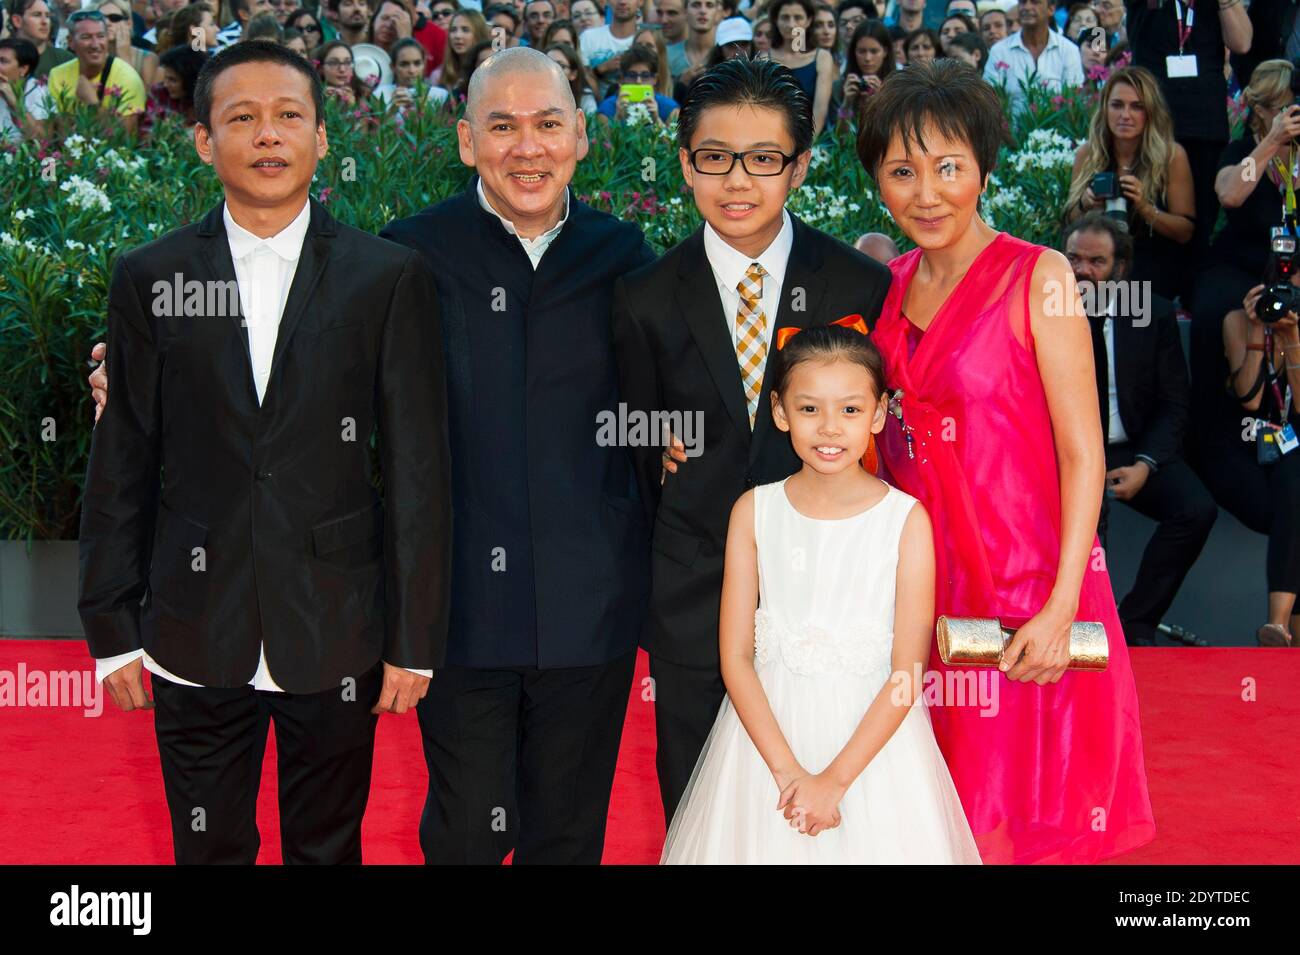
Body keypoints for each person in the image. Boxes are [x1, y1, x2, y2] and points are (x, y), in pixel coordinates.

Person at [79, 40, 451, 865]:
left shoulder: (386, 277)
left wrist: (414, 636)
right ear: (206, 141)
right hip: (191, 621)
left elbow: (419, 468)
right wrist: (111, 624)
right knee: (208, 848)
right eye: (241, 118)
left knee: (326, 848)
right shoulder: (151, 275)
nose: (268, 135)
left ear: (322, 138)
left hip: (338, 625)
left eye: (289, 116)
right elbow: (125, 454)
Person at [859, 59, 1156, 863]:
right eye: (902, 171)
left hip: (1022, 587)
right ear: (877, 181)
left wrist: (1063, 606)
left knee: (1017, 819)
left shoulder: (1041, 275)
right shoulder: (885, 286)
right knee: (927, 814)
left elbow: (1082, 452)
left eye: (948, 167)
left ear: (983, 168)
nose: (927, 192)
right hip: (921, 590)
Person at [380, 46, 655, 865]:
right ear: (467, 141)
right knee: (466, 828)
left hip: (590, 601)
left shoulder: (624, 255)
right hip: (462, 605)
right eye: (502, 126)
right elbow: (327, 376)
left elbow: (672, 387)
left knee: (567, 834)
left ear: (579, 136)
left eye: (546, 124)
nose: (526, 147)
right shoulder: (410, 254)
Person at [611, 56, 891, 824]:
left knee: (826, 809)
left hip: (827, 597)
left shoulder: (855, 285)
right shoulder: (643, 297)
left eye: (764, 159)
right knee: (704, 809)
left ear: (798, 168)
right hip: (693, 597)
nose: (738, 181)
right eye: (715, 158)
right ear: (686, 163)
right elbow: (635, 451)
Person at [660, 322, 981, 864]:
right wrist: (790, 775)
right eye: (809, 409)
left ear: (879, 414)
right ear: (781, 413)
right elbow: (735, 658)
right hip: (763, 745)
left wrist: (833, 781)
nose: (830, 428)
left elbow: (908, 671)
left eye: (851, 410)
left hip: (873, 748)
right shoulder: (754, 512)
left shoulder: (904, 520)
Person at [1064, 213, 1216, 647]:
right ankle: (1084, 632)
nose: (1082, 271)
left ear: (1121, 268)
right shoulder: (1045, 311)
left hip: (1132, 446)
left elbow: (1174, 403)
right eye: (1074, 258)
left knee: (1195, 510)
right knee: (1092, 515)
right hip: (1069, 450)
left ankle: (1133, 623)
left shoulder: (1153, 313)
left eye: (1096, 261)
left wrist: (1147, 465)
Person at [1123, 0, 1252, 296]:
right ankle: (1158, 295)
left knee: (1201, 220)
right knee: (1153, 212)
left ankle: (1193, 292)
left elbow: (1242, 43)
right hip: (1153, 119)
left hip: (1204, 121)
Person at [1215, 274, 1300, 645]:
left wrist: (1292, 339)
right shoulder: (1237, 320)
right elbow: (1249, 397)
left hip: (1291, 460)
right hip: (1240, 453)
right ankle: (1283, 632)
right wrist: (1255, 329)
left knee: (1295, 479)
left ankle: (1277, 627)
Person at [1063, 66, 1195, 302]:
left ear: (1151, 113)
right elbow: (1070, 221)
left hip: (1153, 260)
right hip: (1095, 261)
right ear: (1105, 109)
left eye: (1137, 106)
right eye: (1117, 105)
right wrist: (1086, 204)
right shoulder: (1088, 154)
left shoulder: (1171, 156)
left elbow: (1185, 231)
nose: (1125, 114)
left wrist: (1145, 208)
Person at [48, 10, 149, 136]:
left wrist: (93, 104)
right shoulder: (58, 75)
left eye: (101, 36)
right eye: (86, 37)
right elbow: (59, 135)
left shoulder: (128, 78)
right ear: (70, 42)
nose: (95, 45)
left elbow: (123, 138)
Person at [983, 0, 1083, 115]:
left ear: (1051, 9)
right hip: (1009, 130)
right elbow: (989, 100)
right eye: (1023, 2)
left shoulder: (1068, 50)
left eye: (1035, 2)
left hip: (1057, 130)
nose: (1027, 7)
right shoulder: (999, 51)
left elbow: (1072, 101)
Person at [768, 0, 833, 137]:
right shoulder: (763, 58)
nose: (791, 24)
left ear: (808, 20)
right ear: (776, 19)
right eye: (785, 17)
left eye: (798, 17)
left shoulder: (822, 58)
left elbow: (820, 109)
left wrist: (809, 144)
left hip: (813, 140)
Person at [830, 17, 891, 124]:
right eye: (862, 51)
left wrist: (881, 101)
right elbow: (840, 138)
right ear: (854, 52)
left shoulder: (897, 88)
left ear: (885, 51)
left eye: (874, 51)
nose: (867, 58)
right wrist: (847, 104)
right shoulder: (839, 88)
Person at [597, 41, 677, 122]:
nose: (638, 81)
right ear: (622, 78)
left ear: (655, 79)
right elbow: (602, 134)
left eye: (645, 75)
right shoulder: (607, 109)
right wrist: (618, 118)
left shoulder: (670, 109)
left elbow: (674, 134)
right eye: (632, 75)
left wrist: (656, 120)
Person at [374, 35, 452, 106]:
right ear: (393, 67)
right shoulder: (380, 94)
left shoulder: (440, 95)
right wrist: (393, 108)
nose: (412, 71)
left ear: (424, 64)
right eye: (404, 64)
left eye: (417, 63)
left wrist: (425, 108)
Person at [0, 36, 53, 141]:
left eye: (3, 61)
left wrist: (15, 104)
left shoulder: (39, 93)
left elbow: (42, 139)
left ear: (23, 69)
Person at [96, 0, 159, 85]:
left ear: (129, 23)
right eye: (101, 18)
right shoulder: (91, 56)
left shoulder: (147, 58)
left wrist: (124, 56)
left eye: (114, 18)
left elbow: (141, 95)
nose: (107, 23)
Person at [7, 0, 75, 77]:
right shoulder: (2, 56)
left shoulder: (66, 60)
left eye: (47, 16)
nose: (44, 21)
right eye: (37, 15)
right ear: (17, 21)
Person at [579, 0, 639, 81]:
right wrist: (601, 69)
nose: (622, 2)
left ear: (641, 1)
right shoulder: (588, 38)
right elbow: (577, 80)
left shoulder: (646, 40)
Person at [147, 42, 206, 122]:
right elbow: (147, 128)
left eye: (172, 80)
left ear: (190, 80)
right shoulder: (159, 93)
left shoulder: (207, 101)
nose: (166, 84)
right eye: (165, 78)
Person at [669, 0, 718, 89]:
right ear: (685, 12)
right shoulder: (667, 54)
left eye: (709, 5)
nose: (703, 11)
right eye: (696, 5)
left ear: (718, 13)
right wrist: (679, 82)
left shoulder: (726, 53)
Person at [440, 7, 489, 92]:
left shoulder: (489, 69)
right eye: (453, 30)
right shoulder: (439, 74)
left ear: (479, 33)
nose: (457, 36)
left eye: (465, 30)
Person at [547, 39, 597, 110]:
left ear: (573, 74)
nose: (553, 70)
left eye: (561, 66)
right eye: (548, 64)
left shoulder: (585, 99)